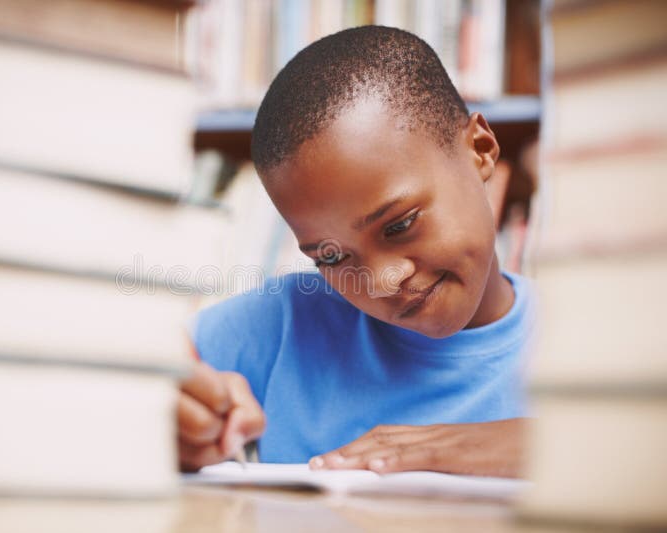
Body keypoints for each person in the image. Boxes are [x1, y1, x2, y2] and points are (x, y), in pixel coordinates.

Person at [178, 26, 534, 478]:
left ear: (481, 152)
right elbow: (131, 370)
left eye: (400, 225)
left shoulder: (600, 340)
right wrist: (176, 414)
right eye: (330, 257)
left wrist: (546, 443)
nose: (382, 281)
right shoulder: (282, 324)